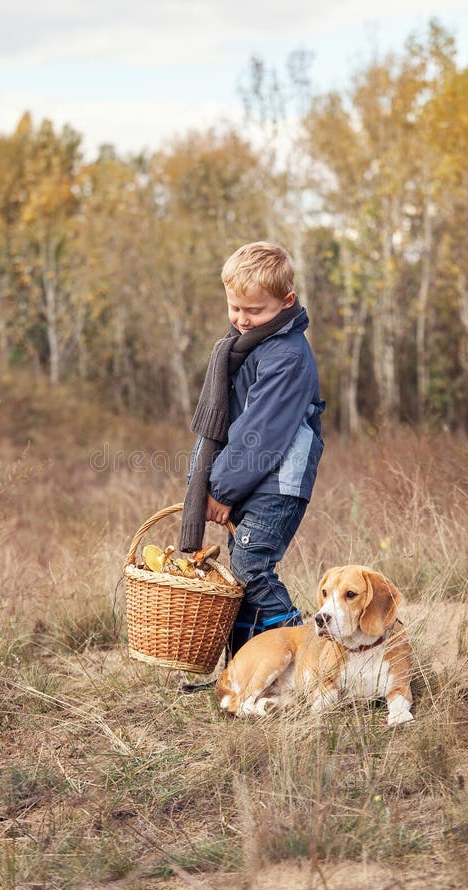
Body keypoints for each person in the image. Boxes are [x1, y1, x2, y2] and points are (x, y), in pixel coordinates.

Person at [179, 241, 325, 656]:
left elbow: (258, 433)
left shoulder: (287, 356)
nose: (242, 320)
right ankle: (245, 668)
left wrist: (221, 490)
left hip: (278, 482)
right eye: (235, 309)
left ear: (287, 301)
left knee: (250, 567)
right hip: (254, 480)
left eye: (254, 311)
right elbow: (229, 424)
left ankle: (308, 655)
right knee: (241, 578)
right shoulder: (244, 349)